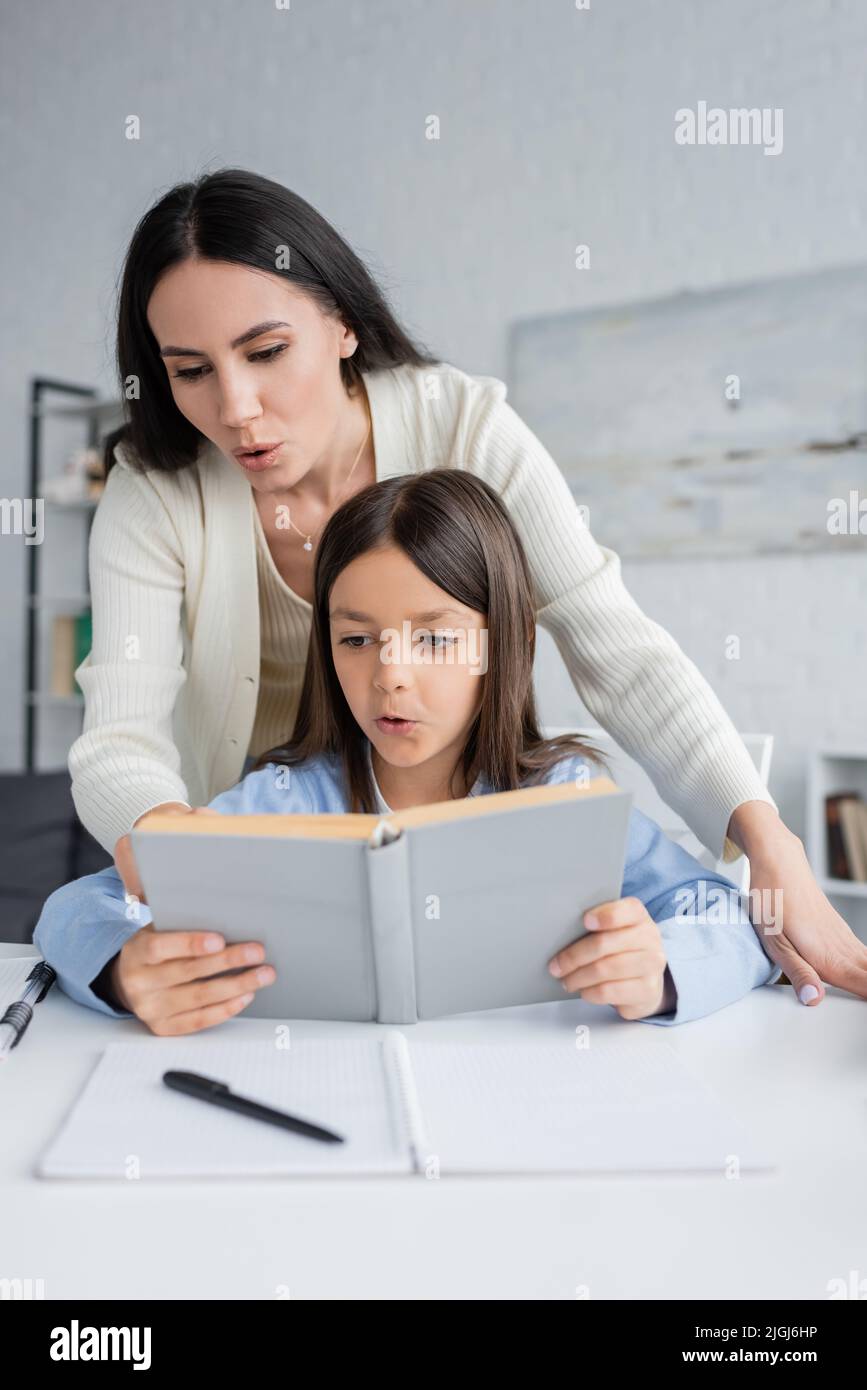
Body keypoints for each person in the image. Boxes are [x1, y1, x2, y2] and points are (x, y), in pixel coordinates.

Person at [68, 167, 867, 1008]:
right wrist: (170, 861)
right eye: (189, 370)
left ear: (341, 322)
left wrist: (767, 846)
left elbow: (621, 654)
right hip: (241, 866)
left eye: (266, 353)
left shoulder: (465, 428)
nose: (235, 408)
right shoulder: (155, 490)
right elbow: (118, 737)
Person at [37, 471, 782, 1035]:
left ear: (505, 645)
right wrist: (124, 975)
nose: (389, 673)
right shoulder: (280, 798)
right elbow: (80, 905)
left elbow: (730, 918)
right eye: (356, 639)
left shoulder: (566, 795)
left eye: (433, 636)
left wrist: (660, 974)